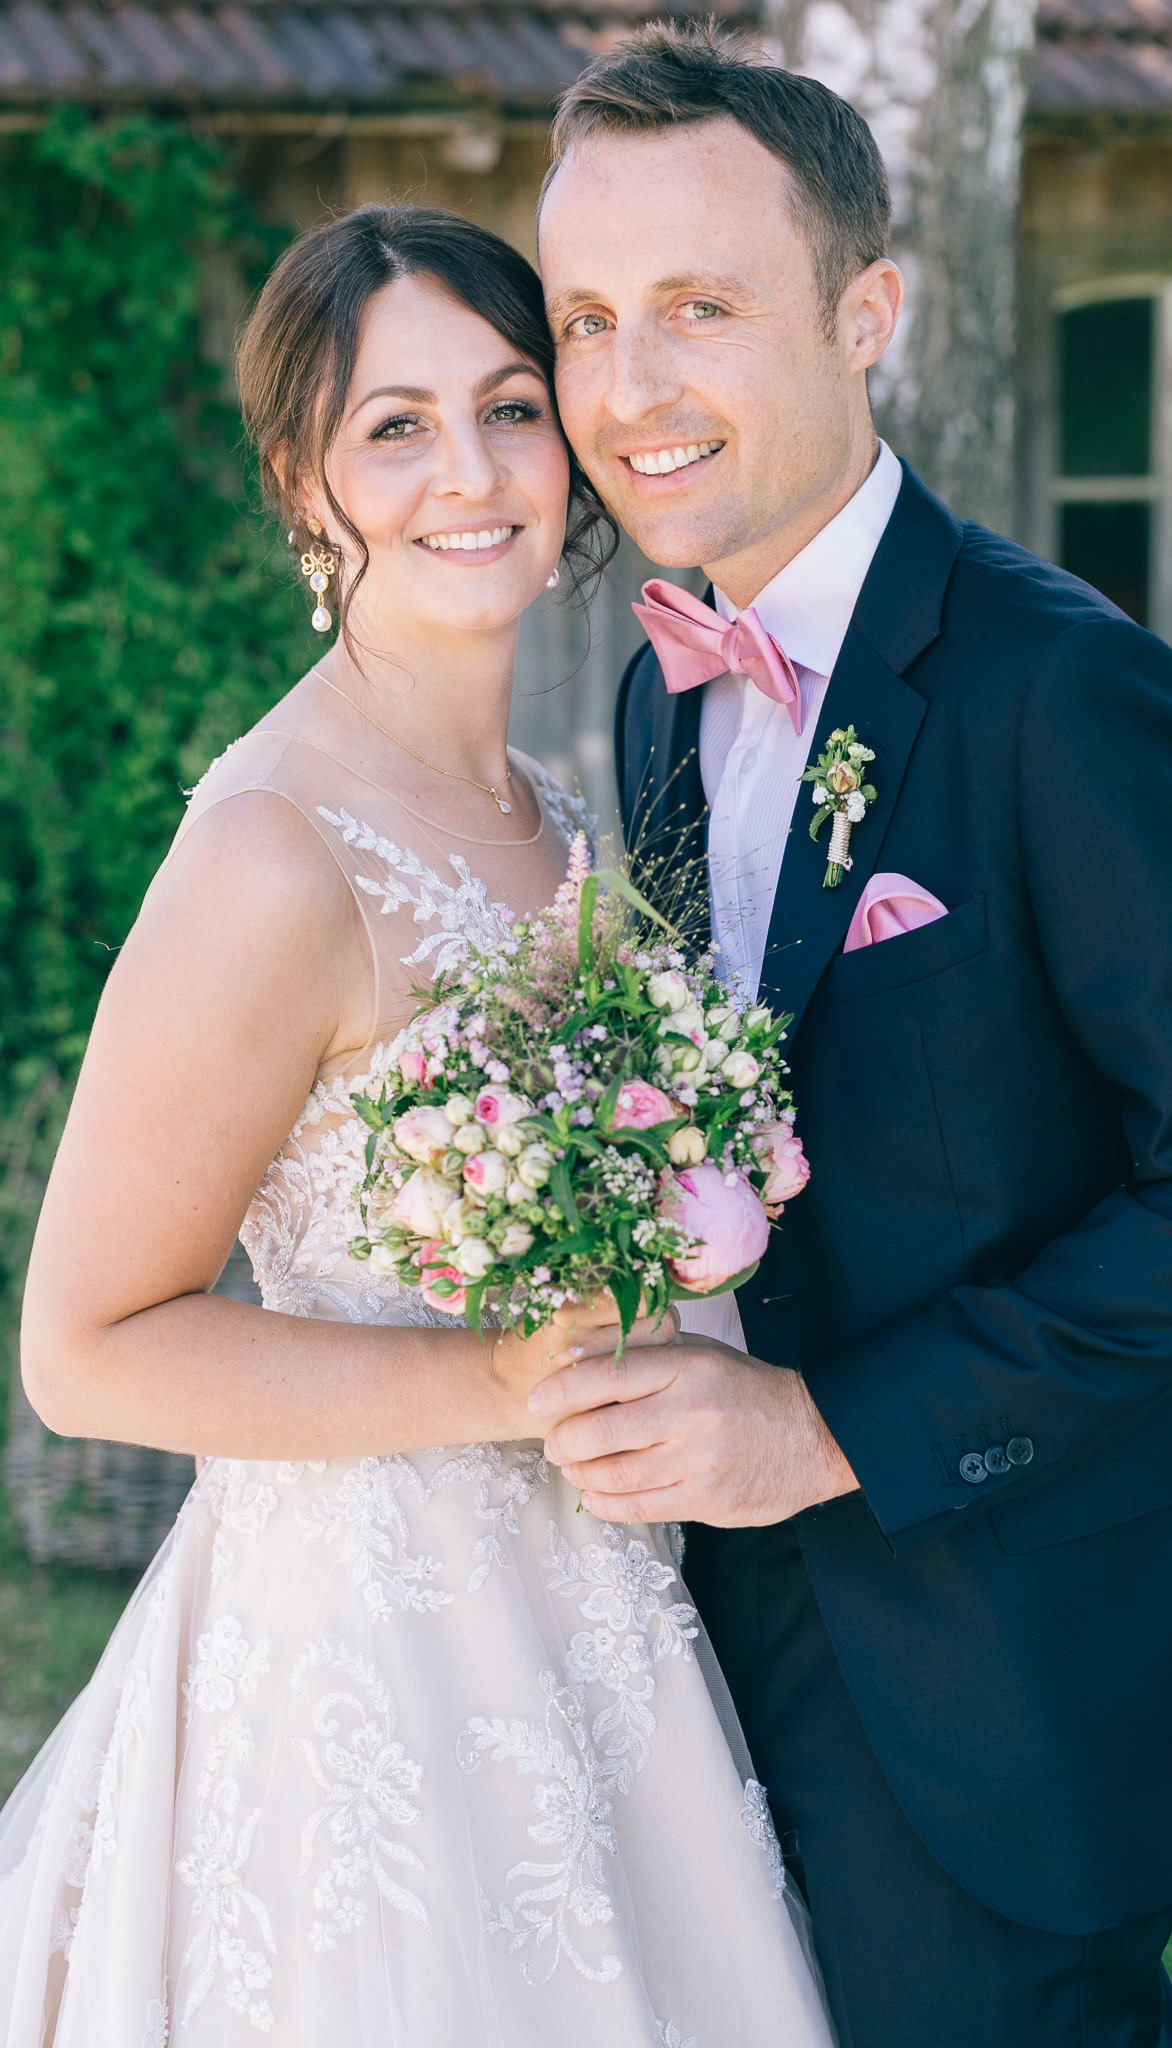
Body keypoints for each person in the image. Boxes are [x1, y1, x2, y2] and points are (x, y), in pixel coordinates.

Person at [531, 25, 1172, 2048]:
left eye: (698, 309)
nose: (627, 390)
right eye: (584, 320)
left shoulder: (1059, 692)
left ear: (865, 311)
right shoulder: (658, 690)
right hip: (715, 1617)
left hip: (1010, 1644)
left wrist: (826, 1430)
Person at [0, 204, 835, 2047]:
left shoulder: (560, 810)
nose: (471, 470)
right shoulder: (271, 849)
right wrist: (507, 1385)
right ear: (309, 483)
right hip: (366, 1678)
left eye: (512, 406)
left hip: (600, 1622)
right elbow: (84, 1351)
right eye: (396, 425)